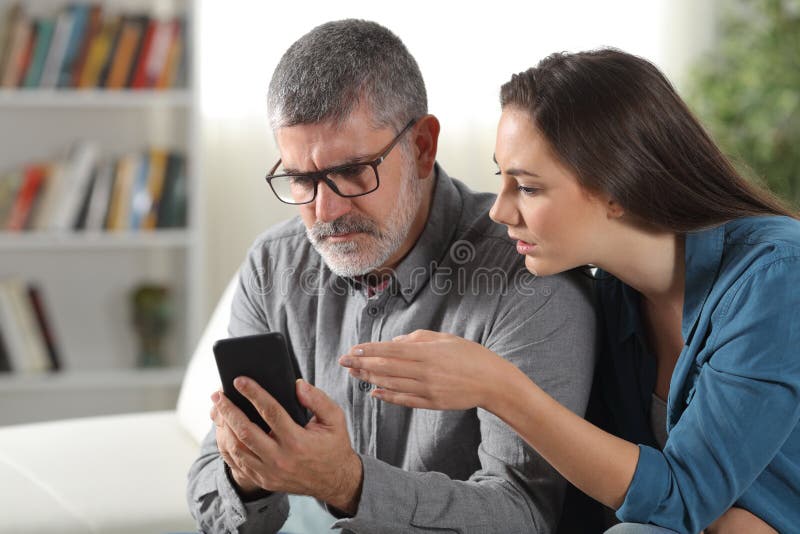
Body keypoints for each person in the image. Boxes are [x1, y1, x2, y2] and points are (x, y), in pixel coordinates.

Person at [340, 48, 800, 534]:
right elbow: (592, 497)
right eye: (503, 178)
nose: (499, 211)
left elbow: (683, 496)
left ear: (619, 188)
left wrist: (499, 387)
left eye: (529, 187)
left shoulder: (775, 277)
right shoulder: (612, 297)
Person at [186, 20, 597, 534]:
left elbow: (524, 514)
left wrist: (348, 484)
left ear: (423, 147)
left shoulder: (527, 279)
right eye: (300, 179)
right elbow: (208, 483)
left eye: (354, 172)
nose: (326, 210)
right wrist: (250, 472)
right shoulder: (275, 265)